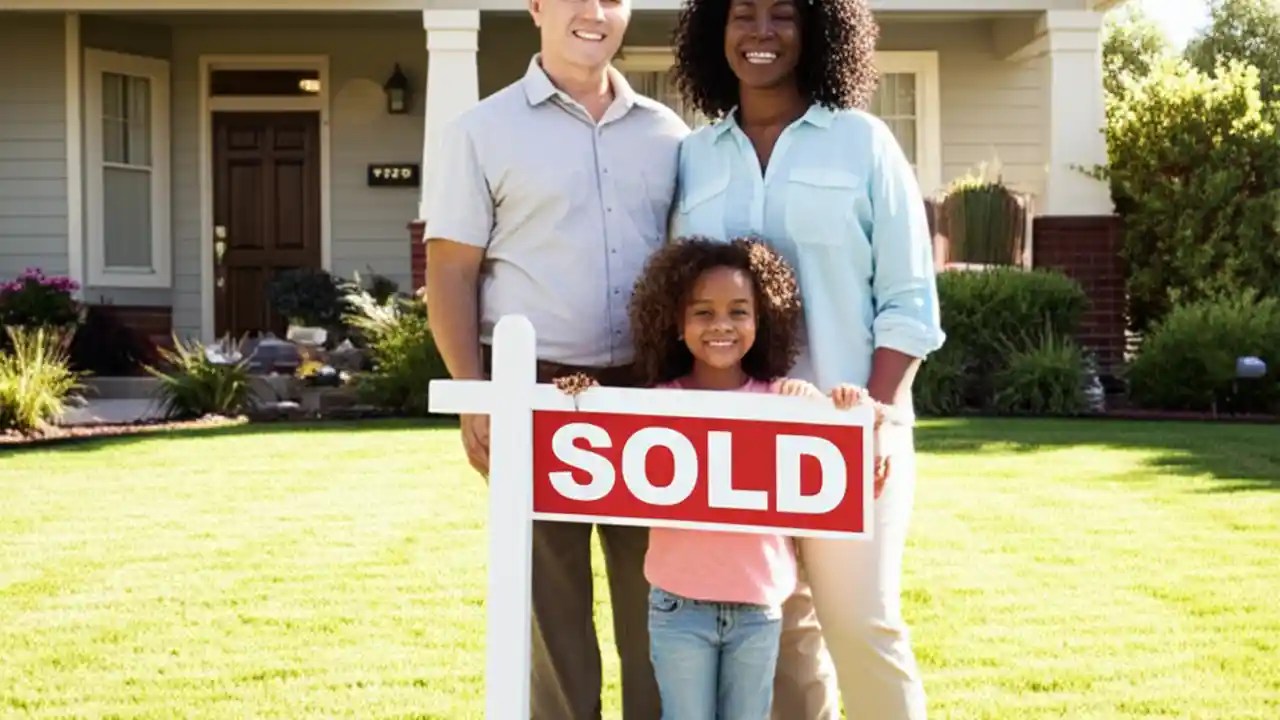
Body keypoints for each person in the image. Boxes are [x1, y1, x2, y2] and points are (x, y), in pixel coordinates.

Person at [667, 0, 947, 719]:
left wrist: (876, 420)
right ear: (714, 32)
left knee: (862, 624)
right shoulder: (695, 155)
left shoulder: (863, 142)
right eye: (743, 14)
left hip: (850, 433)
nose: (762, 33)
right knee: (780, 638)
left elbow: (910, 303)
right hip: (737, 441)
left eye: (783, 15)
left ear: (817, 29)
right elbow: (676, 297)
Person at [421, 0, 689, 716]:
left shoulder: (669, 136)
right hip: (536, 397)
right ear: (537, 6)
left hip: (647, 397)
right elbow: (448, 271)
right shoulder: (480, 131)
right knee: (553, 610)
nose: (595, 13)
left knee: (658, 605)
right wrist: (474, 394)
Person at [556, 236, 885, 719]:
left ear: (761, 317)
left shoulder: (785, 399)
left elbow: (851, 471)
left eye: (738, 311)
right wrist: (580, 395)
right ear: (677, 322)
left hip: (758, 610)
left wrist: (854, 410)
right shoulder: (656, 402)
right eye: (703, 313)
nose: (721, 326)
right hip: (678, 610)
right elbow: (597, 430)